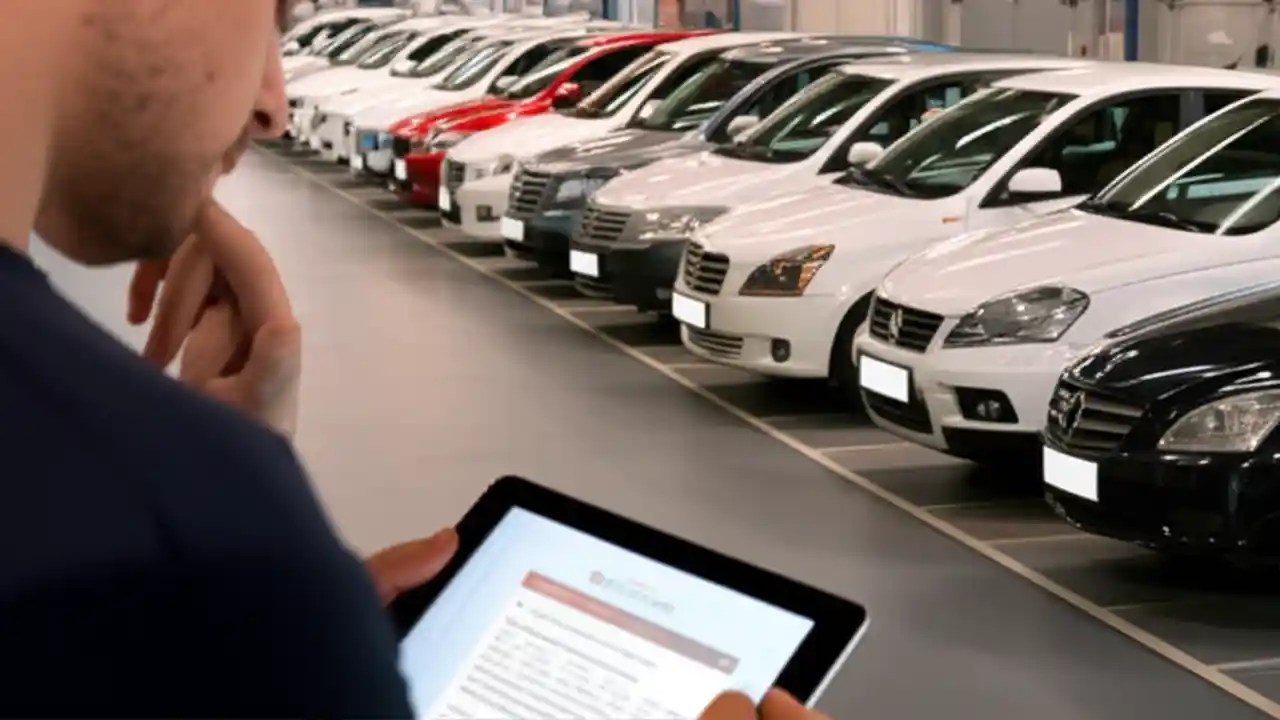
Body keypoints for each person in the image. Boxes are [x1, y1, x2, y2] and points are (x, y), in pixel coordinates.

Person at [0, 1, 825, 717]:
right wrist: (242, 574)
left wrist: (264, 638)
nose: (273, 108)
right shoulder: (181, 558)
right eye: (278, 12)